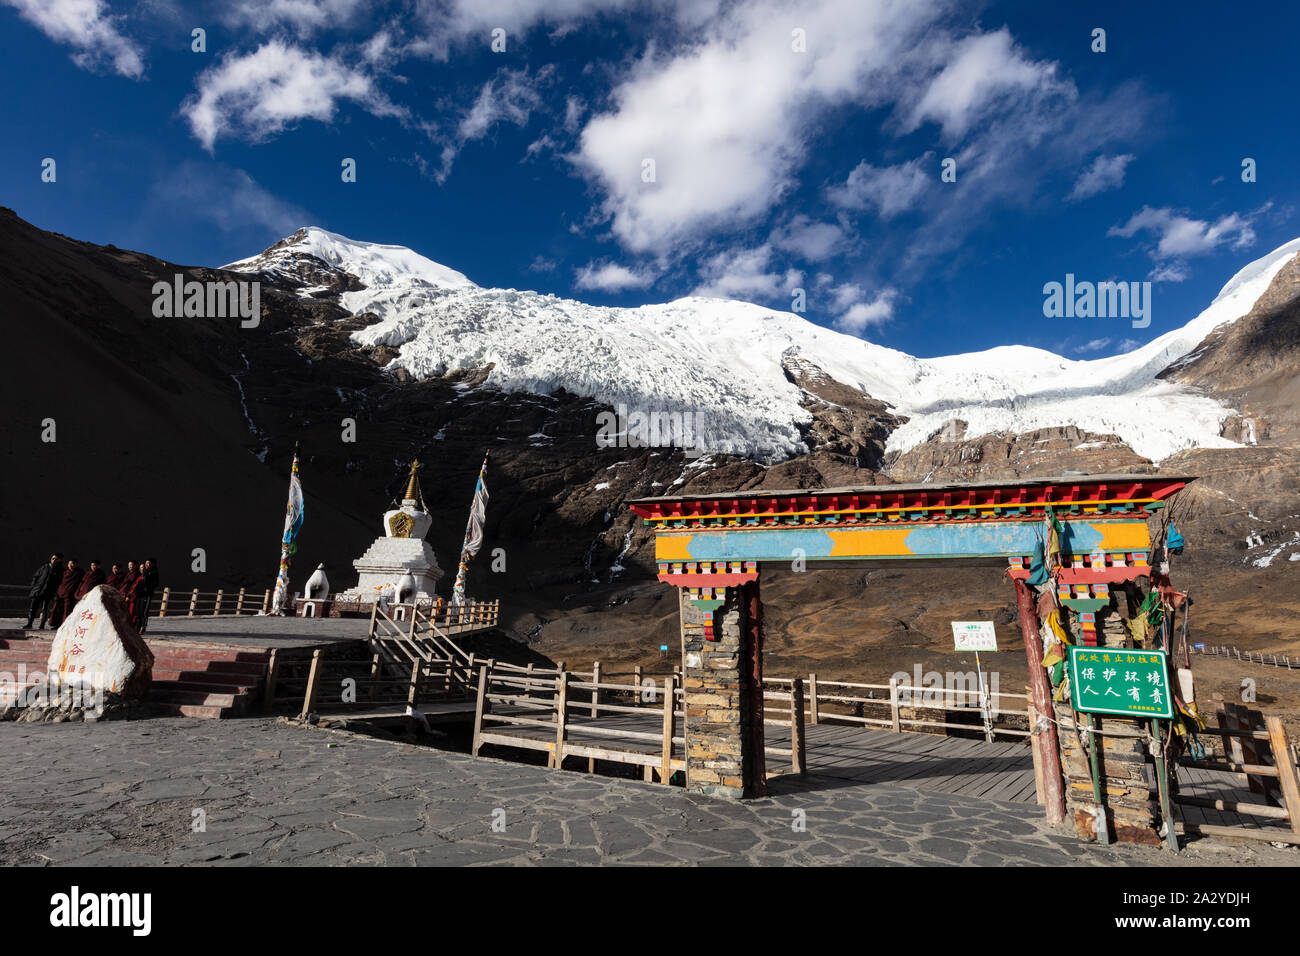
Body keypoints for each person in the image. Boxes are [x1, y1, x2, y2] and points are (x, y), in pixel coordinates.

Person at [25, 552, 63, 630]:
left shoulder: (60, 570)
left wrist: (54, 591)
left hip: (48, 592)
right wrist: (34, 586)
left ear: (60, 560)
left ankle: (41, 625)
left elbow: (59, 582)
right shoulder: (45, 567)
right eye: (53, 558)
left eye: (56, 559)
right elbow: (36, 576)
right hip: (38, 590)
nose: (53, 560)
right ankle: (29, 624)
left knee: (45, 609)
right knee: (32, 608)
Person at [49, 558, 84, 628]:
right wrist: (58, 591)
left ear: (76, 565)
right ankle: (57, 624)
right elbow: (60, 582)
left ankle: (65, 625)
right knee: (58, 609)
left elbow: (82, 583)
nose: (71, 565)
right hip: (61, 593)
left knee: (67, 610)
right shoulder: (65, 572)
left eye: (73, 564)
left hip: (70, 594)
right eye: (69, 563)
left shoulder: (79, 573)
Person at [133, 558, 160, 632]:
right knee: (138, 611)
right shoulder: (144, 572)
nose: (146, 564)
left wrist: (147, 588)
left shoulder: (154, 572)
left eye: (148, 563)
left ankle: (143, 626)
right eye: (146, 563)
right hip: (139, 594)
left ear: (152, 564)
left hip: (147, 595)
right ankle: (137, 626)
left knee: (144, 611)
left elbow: (155, 584)